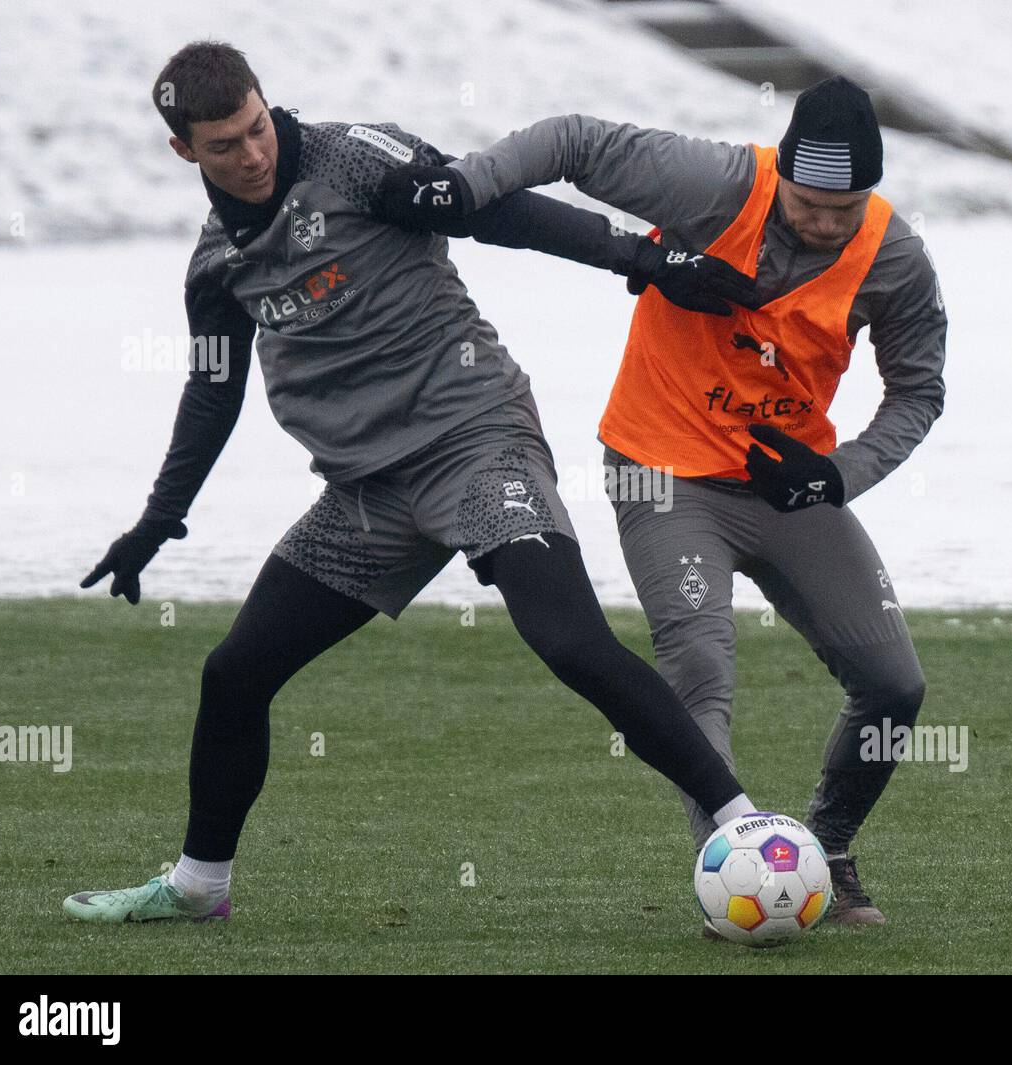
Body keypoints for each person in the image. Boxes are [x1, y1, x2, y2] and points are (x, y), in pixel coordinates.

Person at [65, 40, 765, 925]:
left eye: (255, 128)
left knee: (570, 642)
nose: (251, 154)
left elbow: (493, 211)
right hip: (366, 497)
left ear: (264, 102)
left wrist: (646, 261)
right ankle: (200, 886)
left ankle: (743, 825)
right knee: (234, 673)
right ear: (183, 152)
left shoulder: (353, 160)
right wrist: (157, 520)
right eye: (223, 146)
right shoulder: (217, 265)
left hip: (476, 443)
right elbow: (213, 391)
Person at [370, 76, 947, 926]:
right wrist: (467, 183)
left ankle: (831, 846)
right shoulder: (714, 184)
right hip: (664, 474)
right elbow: (571, 138)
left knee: (896, 687)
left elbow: (919, 393)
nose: (824, 223)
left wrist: (838, 475)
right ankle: (735, 867)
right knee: (701, 671)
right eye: (808, 202)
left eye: (844, 207)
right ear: (780, 170)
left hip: (787, 486)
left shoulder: (895, 259)